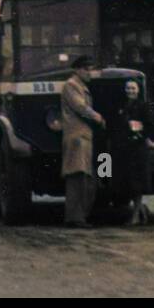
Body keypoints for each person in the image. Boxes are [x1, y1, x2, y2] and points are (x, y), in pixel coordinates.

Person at [61, 55, 105, 228]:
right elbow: (80, 107)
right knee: (77, 177)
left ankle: (80, 216)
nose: (90, 72)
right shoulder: (72, 85)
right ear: (77, 70)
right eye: (86, 69)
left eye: (91, 68)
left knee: (85, 177)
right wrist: (97, 117)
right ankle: (75, 218)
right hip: (77, 137)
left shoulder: (79, 85)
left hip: (84, 137)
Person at [118, 80, 154, 226]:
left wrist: (142, 134)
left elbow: (148, 125)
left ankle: (135, 215)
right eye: (128, 88)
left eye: (133, 88)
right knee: (130, 182)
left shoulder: (143, 106)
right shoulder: (122, 106)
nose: (130, 91)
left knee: (137, 183)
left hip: (138, 148)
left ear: (138, 90)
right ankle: (140, 212)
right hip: (126, 148)